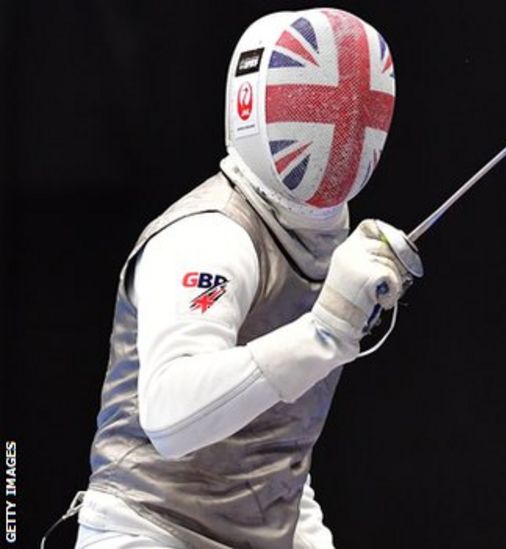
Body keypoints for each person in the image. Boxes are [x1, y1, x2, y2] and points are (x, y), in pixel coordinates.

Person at [73, 8, 420, 548]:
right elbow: (171, 418)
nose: (345, 114)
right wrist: (325, 331)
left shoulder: (323, 242)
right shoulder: (212, 235)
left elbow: (272, 444)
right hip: (148, 531)